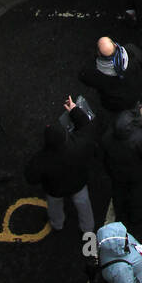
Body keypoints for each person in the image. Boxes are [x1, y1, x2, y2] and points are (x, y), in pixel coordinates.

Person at [24, 96, 96, 234]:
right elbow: (86, 126)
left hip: (55, 190)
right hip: (78, 184)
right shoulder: (79, 146)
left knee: (54, 207)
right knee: (83, 204)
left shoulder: (42, 159)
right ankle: (88, 228)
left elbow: (30, 177)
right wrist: (74, 110)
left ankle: (57, 224)